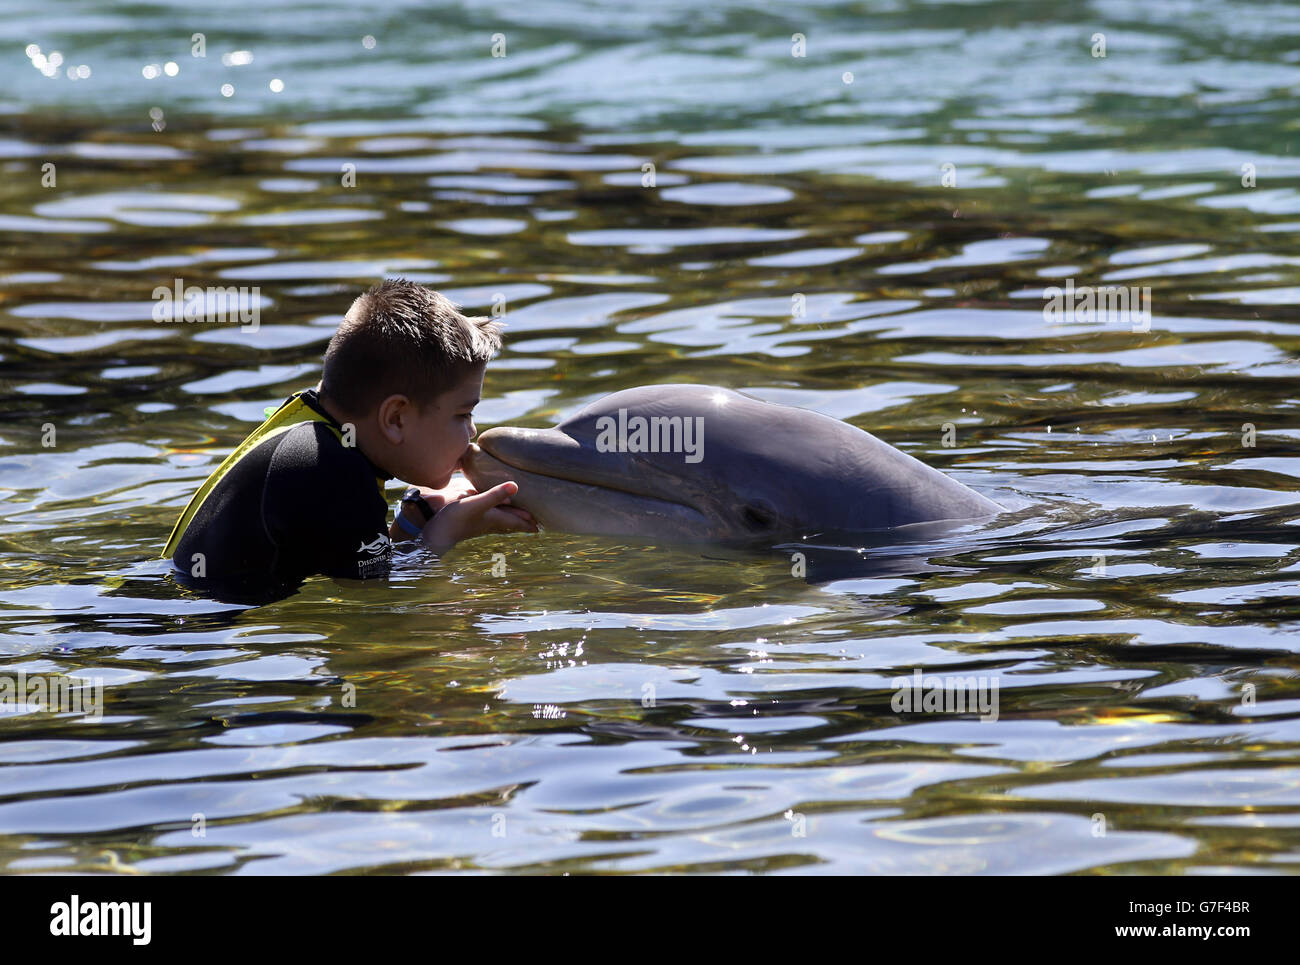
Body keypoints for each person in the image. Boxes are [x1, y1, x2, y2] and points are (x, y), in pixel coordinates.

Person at [161, 278, 536, 601]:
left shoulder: (324, 442)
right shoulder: (332, 468)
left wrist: (412, 523)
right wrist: (448, 535)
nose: (472, 431)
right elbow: (377, 603)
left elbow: (362, 562)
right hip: (195, 641)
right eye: (463, 414)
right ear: (395, 418)